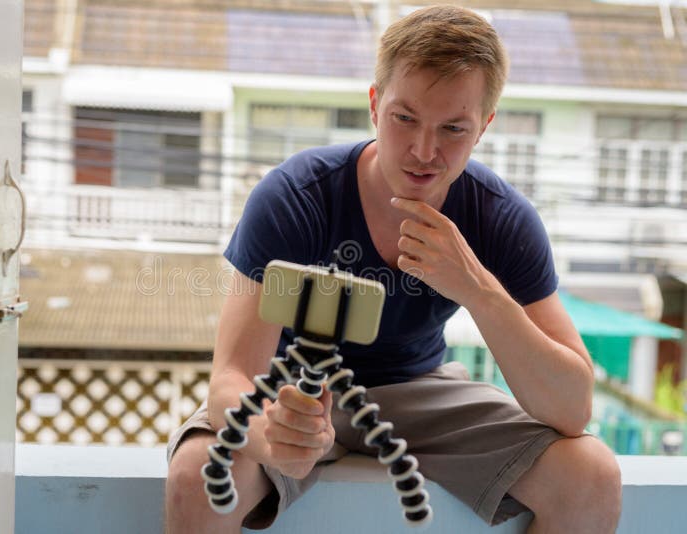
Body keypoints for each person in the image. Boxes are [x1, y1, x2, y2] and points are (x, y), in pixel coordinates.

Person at [165, 5, 622, 533]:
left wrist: (476, 287)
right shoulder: (296, 196)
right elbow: (231, 377)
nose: (424, 152)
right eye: (404, 119)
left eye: (453, 128)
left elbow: (572, 409)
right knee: (196, 476)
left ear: (484, 128)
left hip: (422, 390)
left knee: (591, 476)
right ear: (375, 104)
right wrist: (276, 434)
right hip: (296, 389)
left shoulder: (499, 217)